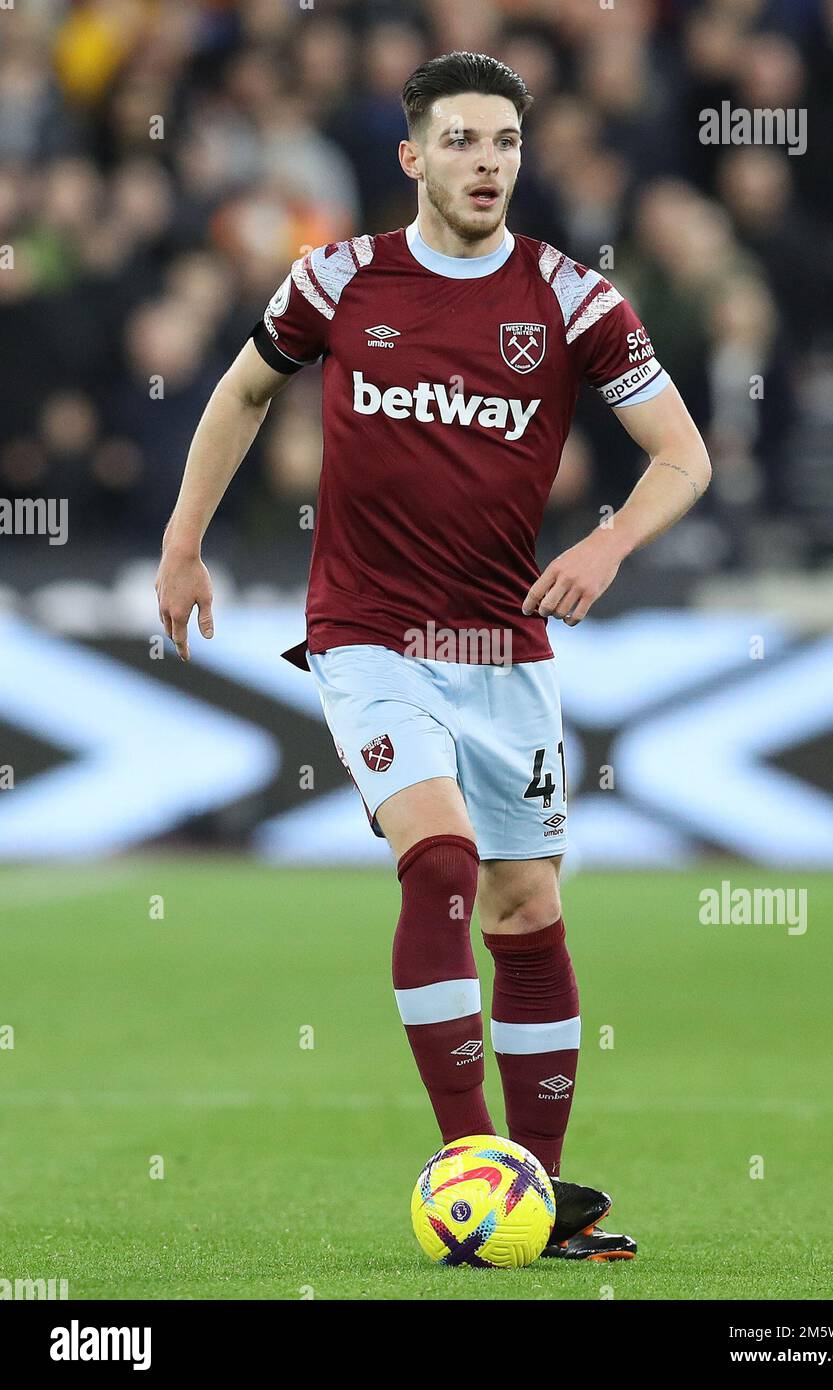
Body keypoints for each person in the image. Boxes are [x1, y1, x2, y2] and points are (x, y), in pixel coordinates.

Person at [156, 51, 711, 1262]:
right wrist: (185, 539)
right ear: (412, 156)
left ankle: (541, 1195)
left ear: (524, 155)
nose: (485, 163)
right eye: (459, 141)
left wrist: (611, 546)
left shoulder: (574, 299)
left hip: (503, 641)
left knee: (526, 906)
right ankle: (470, 1153)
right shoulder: (342, 278)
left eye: (504, 143)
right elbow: (244, 392)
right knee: (444, 864)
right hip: (367, 631)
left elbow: (683, 456)